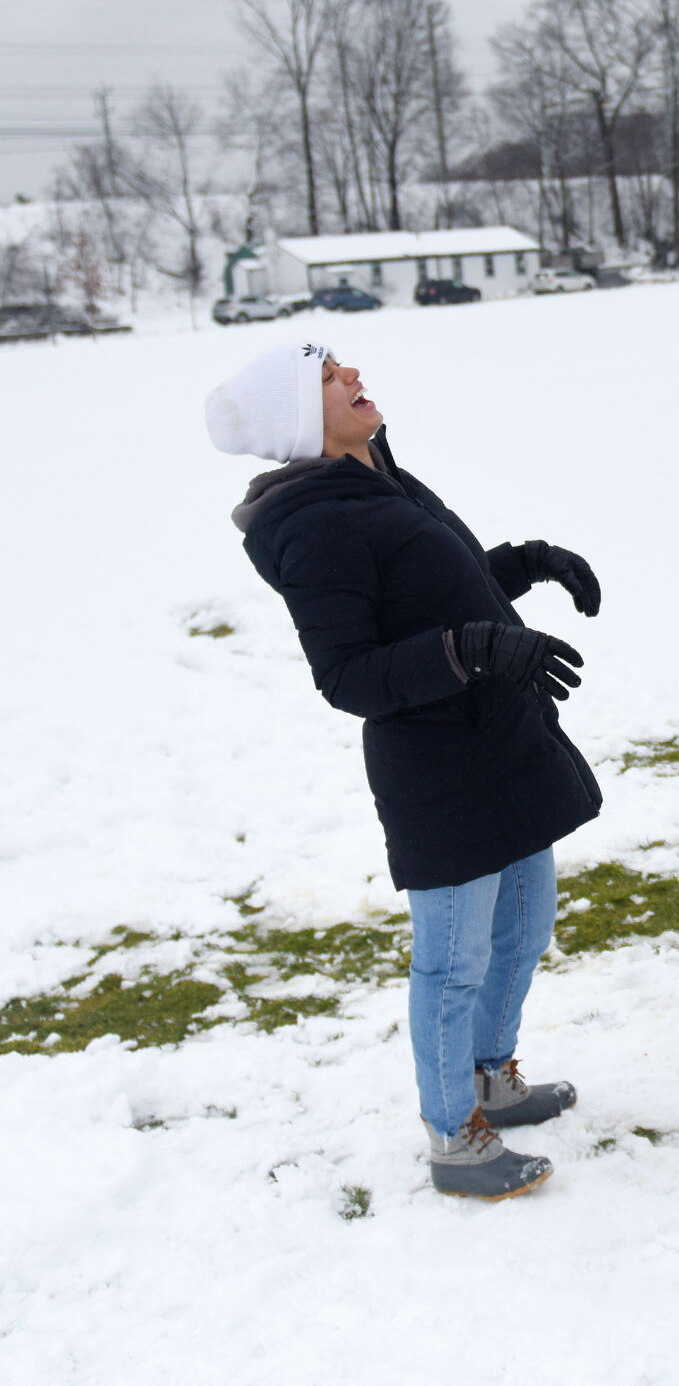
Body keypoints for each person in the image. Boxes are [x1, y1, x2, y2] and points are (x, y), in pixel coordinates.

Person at [206, 340, 602, 1198]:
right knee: (453, 963)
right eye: (326, 377)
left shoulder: (377, 477)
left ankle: (492, 1079)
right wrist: (475, 647)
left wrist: (529, 563)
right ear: (297, 418)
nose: (352, 376)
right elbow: (348, 675)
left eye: (341, 365)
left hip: (500, 738)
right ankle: (454, 1139)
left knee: (524, 927)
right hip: (439, 772)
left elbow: (445, 594)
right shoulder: (312, 523)